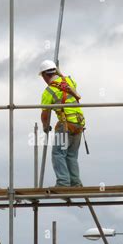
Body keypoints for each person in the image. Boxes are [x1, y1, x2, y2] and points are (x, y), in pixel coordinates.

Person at [39, 59, 85, 187]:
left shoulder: (49, 91)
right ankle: (75, 183)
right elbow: (67, 82)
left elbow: (45, 114)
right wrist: (60, 73)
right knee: (71, 156)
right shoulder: (69, 81)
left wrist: (45, 126)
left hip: (65, 125)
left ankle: (63, 183)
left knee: (58, 154)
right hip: (79, 123)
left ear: (44, 75)